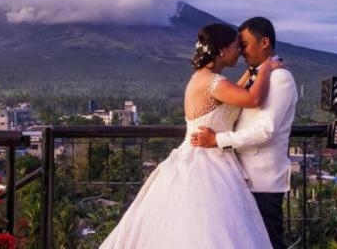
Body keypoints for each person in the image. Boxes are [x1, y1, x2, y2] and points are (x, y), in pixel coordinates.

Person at [99, 23, 284, 249]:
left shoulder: (206, 78)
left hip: (200, 158)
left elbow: (234, 94)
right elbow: (253, 99)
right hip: (209, 165)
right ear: (222, 50)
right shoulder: (214, 83)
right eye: (237, 46)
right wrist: (265, 69)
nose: (240, 52)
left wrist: (252, 71)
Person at [190, 17, 298, 249]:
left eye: (245, 44)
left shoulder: (280, 78)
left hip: (262, 181)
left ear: (264, 43)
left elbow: (265, 130)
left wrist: (217, 140)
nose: (240, 51)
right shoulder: (254, 76)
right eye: (237, 46)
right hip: (236, 178)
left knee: (268, 243)